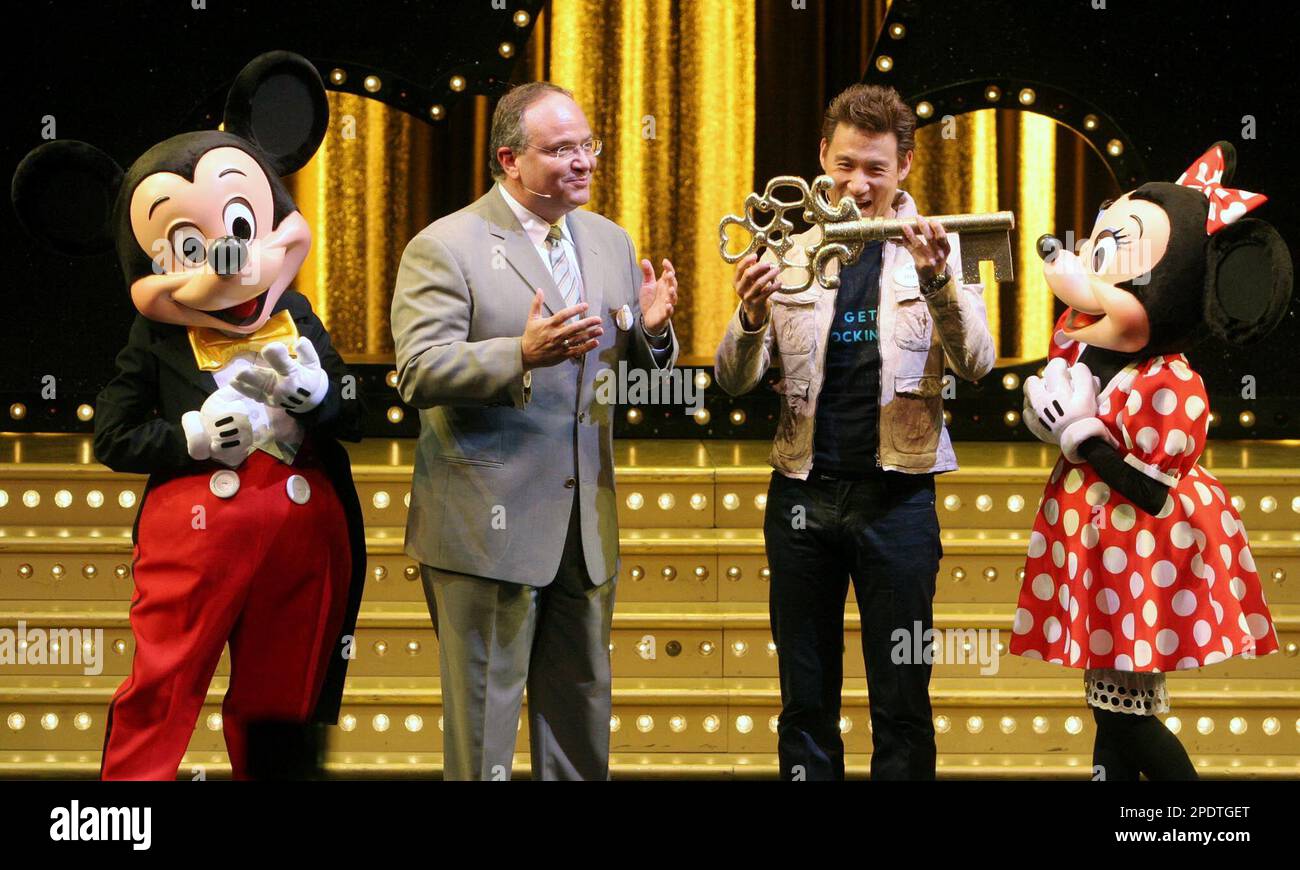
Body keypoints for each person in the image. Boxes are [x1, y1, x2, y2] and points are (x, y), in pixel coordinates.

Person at [391, 81, 680, 780]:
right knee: (484, 732)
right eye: (561, 149)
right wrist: (517, 354)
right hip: (487, 532)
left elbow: (624, 368)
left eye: (589, 145)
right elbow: (418, 371)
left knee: (580, 726)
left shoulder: (610, 241)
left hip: (585, 529)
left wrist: (654, 331)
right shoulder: (445, 246)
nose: (583, 161)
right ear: (509, 159)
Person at [715, 83, 995, 780]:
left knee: (902, 698)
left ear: (903, 166)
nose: (858, 183)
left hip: (897, 502)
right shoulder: (787, 245)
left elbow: (979, 362)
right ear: (820, 157)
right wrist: (749, 317)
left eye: (875, 167)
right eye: (844, 164)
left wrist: (938, 285)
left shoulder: (941, 247)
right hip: (803, 496)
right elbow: (732, 378)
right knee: (805, 700)